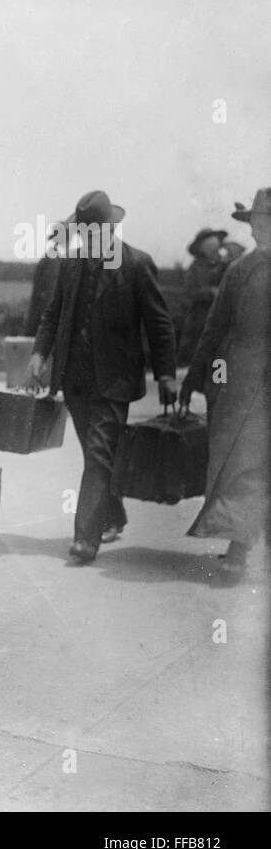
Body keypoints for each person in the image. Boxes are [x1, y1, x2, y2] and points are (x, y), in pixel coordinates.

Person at [29, 190, 178, 564]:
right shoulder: (71, 265)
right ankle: (113, 515)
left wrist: (166, 375)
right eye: (83, 231)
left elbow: (159, 324)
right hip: (74, 378)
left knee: (97, 456)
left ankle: (85, 539)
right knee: (96, 454)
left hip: (114, 381)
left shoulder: (136, 265)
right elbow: (52, 314)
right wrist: (38, 353)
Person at [179, 188, 271, 577]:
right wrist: (194, 380)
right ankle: (239, 548)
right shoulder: (239, 271)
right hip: (242, 380)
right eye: (258, 221)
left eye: (268, 221)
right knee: (245, 464)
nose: (261, 228)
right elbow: (215, 328)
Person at [179, 228, 230, 363]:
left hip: (224, 316)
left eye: (215, 244)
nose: (213, 248)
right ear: (201, 248)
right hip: (201, 318)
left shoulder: (227, 264)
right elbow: (190, 291)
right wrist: (210, 292)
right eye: (208, 245)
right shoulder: (196, 267)